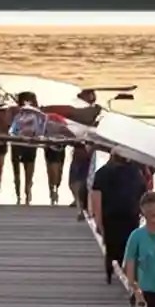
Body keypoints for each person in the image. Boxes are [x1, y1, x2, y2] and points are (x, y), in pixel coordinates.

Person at [91, 149, 147, 286]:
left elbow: (96, 198)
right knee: (128, 250)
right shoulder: (135, 172)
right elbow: (142, 194)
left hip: (113, 217)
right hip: (128, 216)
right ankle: (129, 280)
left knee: (112, 248)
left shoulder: (102, 173)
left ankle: (116, 275)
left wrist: (98, 221)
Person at [8, 92, 45, 205]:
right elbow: (12, 129)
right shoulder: (17, 114)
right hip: (17, 143)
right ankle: (18, 192)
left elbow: (40, 129)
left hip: (30, 144)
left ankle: (27, 191)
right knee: (17, 170)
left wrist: (37, 136)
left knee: (29, 170)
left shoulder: (37, 114)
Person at [66, 90, 97, 219]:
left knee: (80, 181)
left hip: (86, 152)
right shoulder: (80, 112)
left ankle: (82, 206)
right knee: (74, 182)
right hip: (79, 150)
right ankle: (79, 203)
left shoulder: (93, 113)